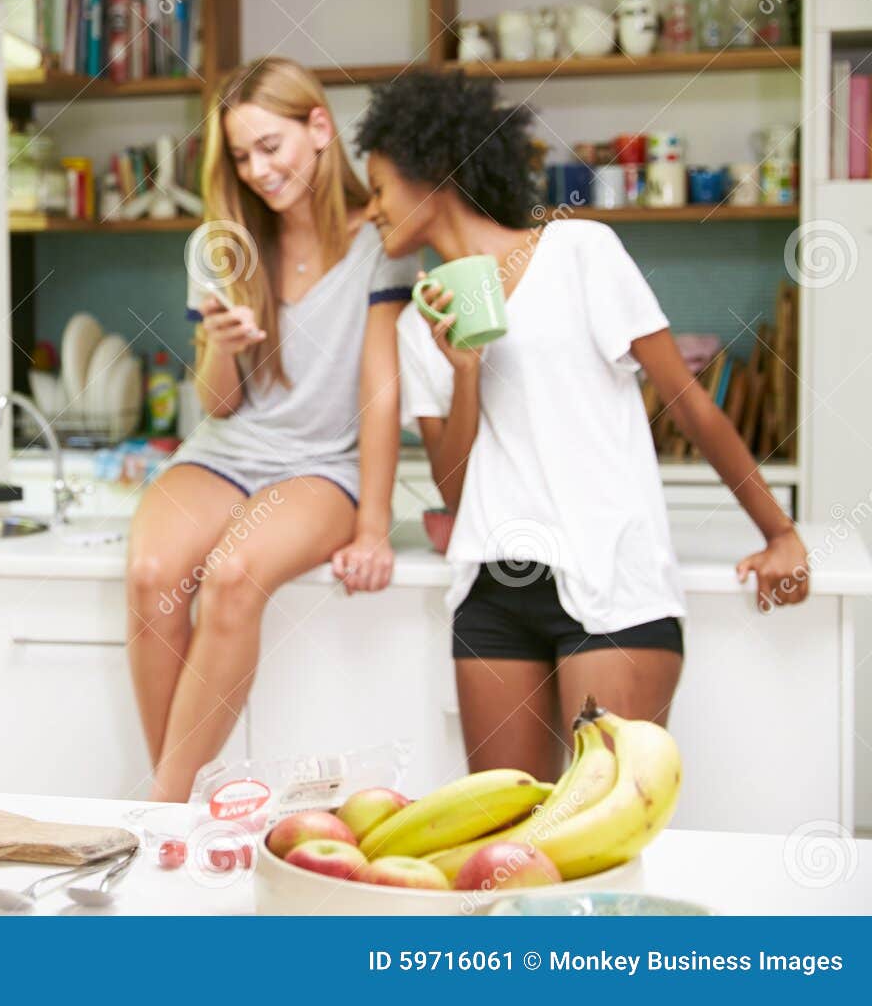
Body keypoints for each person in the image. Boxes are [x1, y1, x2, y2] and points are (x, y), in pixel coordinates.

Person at [356, 69, 809, 780]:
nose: (369, 211)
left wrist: (779, 533)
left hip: (613, 586)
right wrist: (466, 371)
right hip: (493, 598)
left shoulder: (578, 253)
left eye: (378, 187)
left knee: (602, 835)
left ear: (433, 172)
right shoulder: (419, 325)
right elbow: (454, 487)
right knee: (508, 841)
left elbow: (689, 401)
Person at [125, 57, 416, 802]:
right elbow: (218, 406)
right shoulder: (225, 247)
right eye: (243, 155)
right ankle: (184, 804)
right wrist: (225, 340)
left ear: (318, 128)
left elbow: (379, 391)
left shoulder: (380, 241)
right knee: (154, 577)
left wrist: (374, 527)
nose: (258, 170)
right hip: (225, 454)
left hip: (320, 467)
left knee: (231, 576)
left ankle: (161, 806)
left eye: (271, 147)